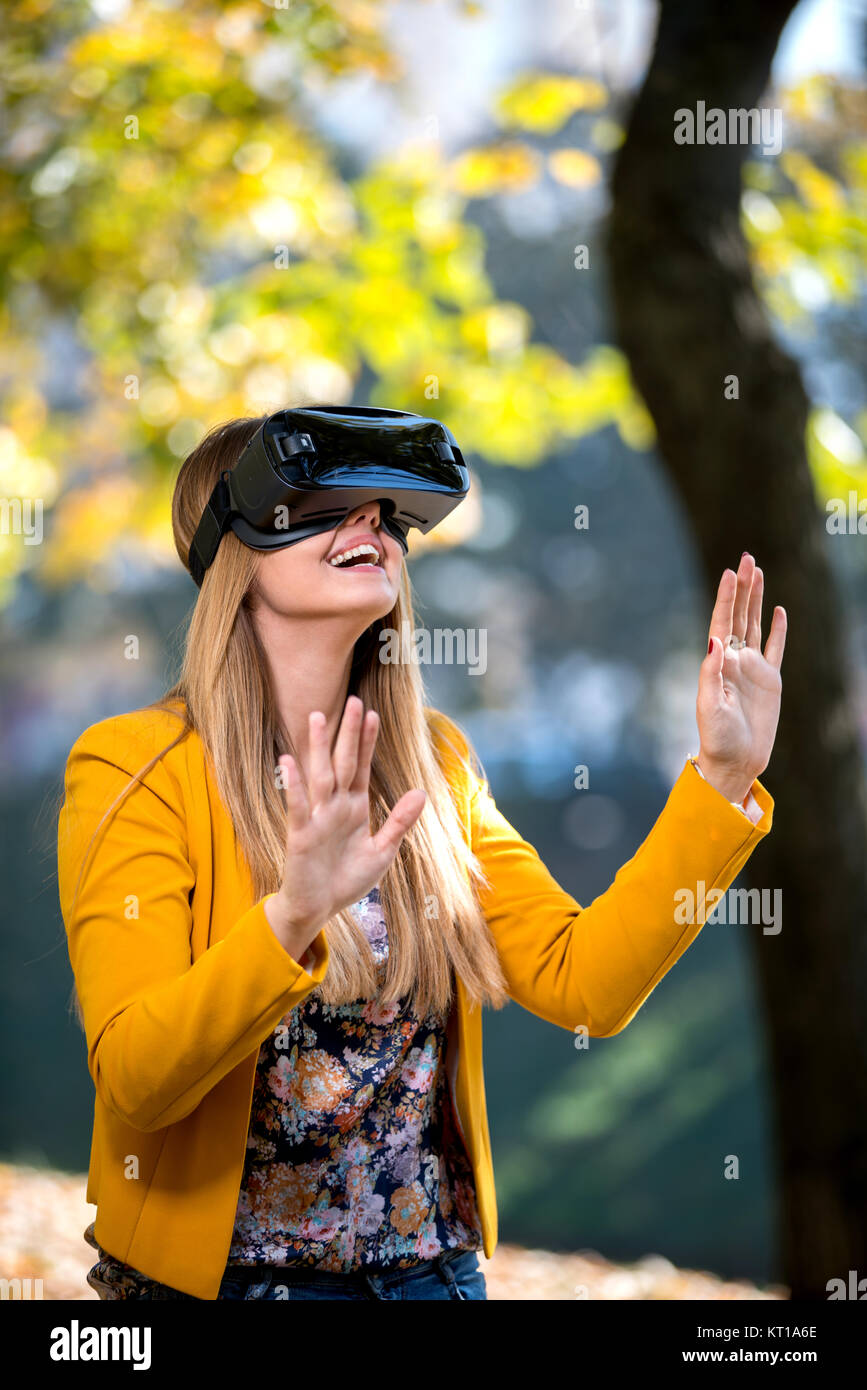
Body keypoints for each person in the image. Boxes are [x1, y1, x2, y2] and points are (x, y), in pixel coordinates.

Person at [57, 413, 786, 1302]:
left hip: (430, 1282)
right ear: (235, 551)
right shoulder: (137, 766)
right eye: (328, 504)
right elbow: (136, 1080)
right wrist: (294, 914)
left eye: (383, 512)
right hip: (224, 1291)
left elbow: (581, 980)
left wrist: (720, 776)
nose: (370, 525)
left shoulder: (435, 764)